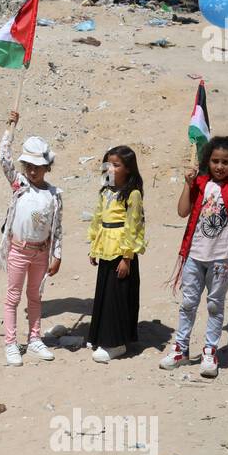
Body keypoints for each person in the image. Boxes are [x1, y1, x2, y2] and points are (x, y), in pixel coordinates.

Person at [162, 121, 228, 378]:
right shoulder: (201, 182)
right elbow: (182, 211)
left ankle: (210, 350)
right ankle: (181, 348)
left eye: (226, 162)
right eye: (215, 161)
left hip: (221, 258)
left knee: (215, 306)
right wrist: (188, 184)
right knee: (188, 303)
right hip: (194, 255)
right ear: (208, 160)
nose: (220, 166)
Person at [0, 112, 63, 365]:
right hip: (18, 251)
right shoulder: (19, 184)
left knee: (35, 297)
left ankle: (35, 339)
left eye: (38, 166)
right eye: (28, 166)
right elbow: (3, 158)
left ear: (47, 167)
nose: (32, 171)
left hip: (41, 253)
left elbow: (57, 228)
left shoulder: (54, 195)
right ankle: (11, 343)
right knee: (13, 297)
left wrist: (57, 254)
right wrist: (10, 128)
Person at [85, 146, 146, 364]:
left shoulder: (133, 194)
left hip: (121, 251)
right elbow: (98, 217)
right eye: (108, 163)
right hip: (105, 248)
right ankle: (100, 335)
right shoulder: (106, 191)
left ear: (128, 169)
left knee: (117, 296)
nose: (110, 168)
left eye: (116, 164)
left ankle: (117, 343)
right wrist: (94, 245)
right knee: (104, 293)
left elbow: (134, 226)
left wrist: (127, 258)